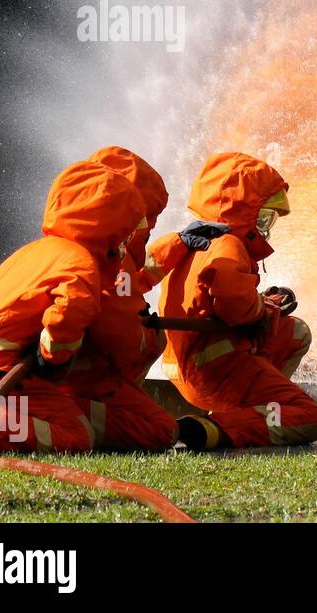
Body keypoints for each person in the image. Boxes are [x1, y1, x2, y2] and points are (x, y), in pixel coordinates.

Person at [0, 160, 147, 453]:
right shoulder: (79, 261)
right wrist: (51, 360)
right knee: (75, 434)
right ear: (111, 226)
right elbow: (69, 314)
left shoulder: (36, 250)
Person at [59, 146, 228, 451]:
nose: (148, 226)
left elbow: (132, 281)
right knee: (158, 432)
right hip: (85, 387)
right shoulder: (105, 254)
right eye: (147, 217)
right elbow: (122, 329)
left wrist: (178, 242)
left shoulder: (85, 244)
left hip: (87, 381)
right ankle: (22, 417)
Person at [159, 151, 317, 449]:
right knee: (310, 417)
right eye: (264, 217)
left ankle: (243, 409)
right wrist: (269, 306)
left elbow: (219, 303)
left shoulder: (194, 242)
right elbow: (237, 308)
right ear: (245, 211)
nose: (266, 227)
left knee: (295, 331)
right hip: (219, 371)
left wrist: (266, 303)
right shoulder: (229, 245)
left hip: (191, 368)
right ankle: (219, 427)